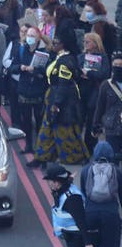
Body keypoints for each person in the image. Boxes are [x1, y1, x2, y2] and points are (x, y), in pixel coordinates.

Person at [33, 24, 90, 166]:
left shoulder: (66, 61)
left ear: (63, 45)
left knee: (65, 131)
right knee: (47, 128)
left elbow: (64, 85)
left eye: (56, 43)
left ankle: (75, 157)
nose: (53, 44)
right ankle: (42, 157)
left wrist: (56, 104)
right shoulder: (59, 56)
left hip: (63, 101)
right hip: (52, 95)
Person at [81, 141, 121, 247]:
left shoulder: (86, 170)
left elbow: (84, 192)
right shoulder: (117, 172)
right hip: (110, 215)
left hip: (90, 214)